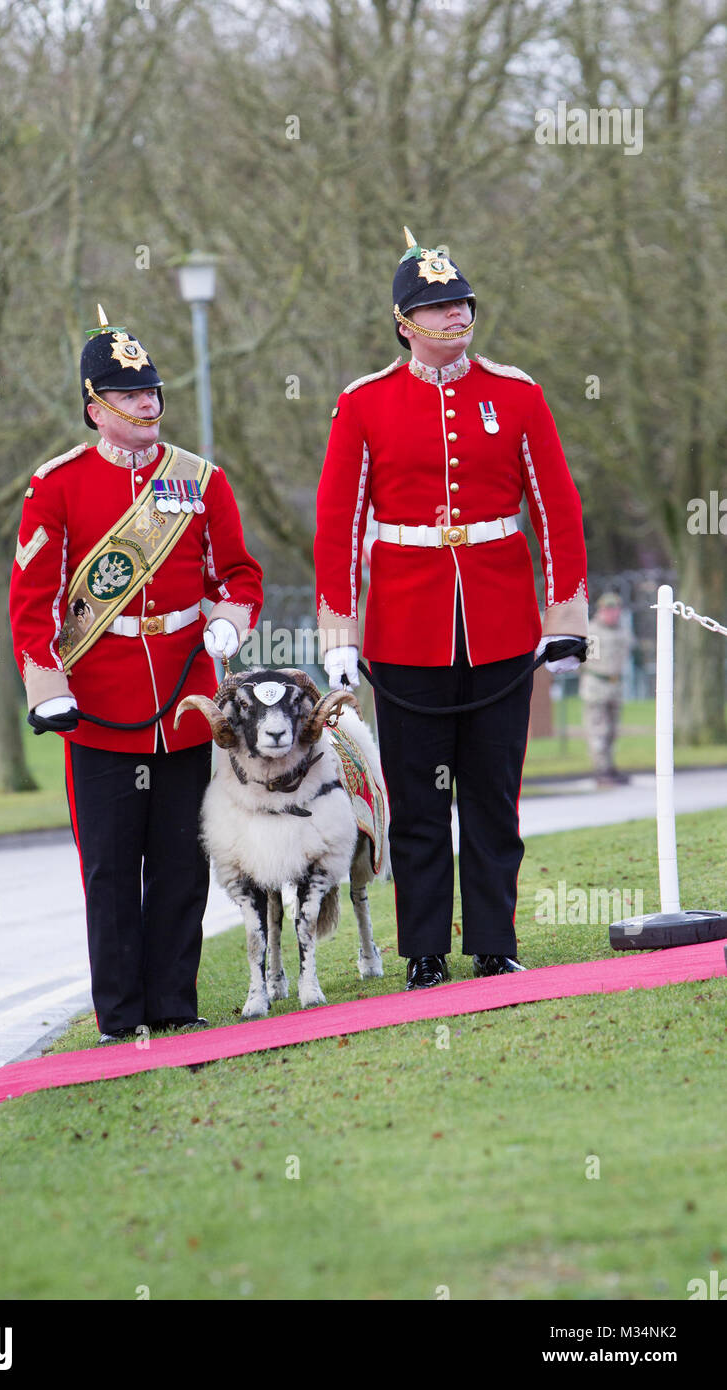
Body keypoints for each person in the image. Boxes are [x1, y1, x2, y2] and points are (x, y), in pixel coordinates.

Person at [314, 229, 588, 987]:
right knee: (422, 796)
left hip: (500, 619)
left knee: (494, 795)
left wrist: (564, 621)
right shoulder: (364, 403)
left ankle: (495, 942)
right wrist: (339, 629)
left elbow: (557, 510)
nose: (454, 317)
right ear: (404, 322)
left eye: (460, 303)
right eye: (436, 308)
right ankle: (425, 949)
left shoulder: (517, 394)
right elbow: (337, 524)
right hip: (405, 626)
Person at [9, 306, 263, 1041]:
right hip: (100, 702)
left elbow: (240, 573)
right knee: (113, 872)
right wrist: (48, 688)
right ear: (96, 408)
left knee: (182, 867)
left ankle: (174, 1006)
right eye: (130, 394)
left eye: (153, 389)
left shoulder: (200, 480)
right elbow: (34, 601)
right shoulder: (56, 485)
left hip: (184, 696)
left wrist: (227, 621)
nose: (148, 402)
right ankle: (120, 1017)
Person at [579, 591, 631, 785]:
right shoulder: (592, 631)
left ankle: (610, 766)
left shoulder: (622, 630)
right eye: (609, 610)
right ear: (601, 610)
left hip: (615, 684)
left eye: (616, 610)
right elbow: (586, 662)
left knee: (613, 730)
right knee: (598, 729)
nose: (613, 614)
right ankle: (601, 769)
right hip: (596, 685)